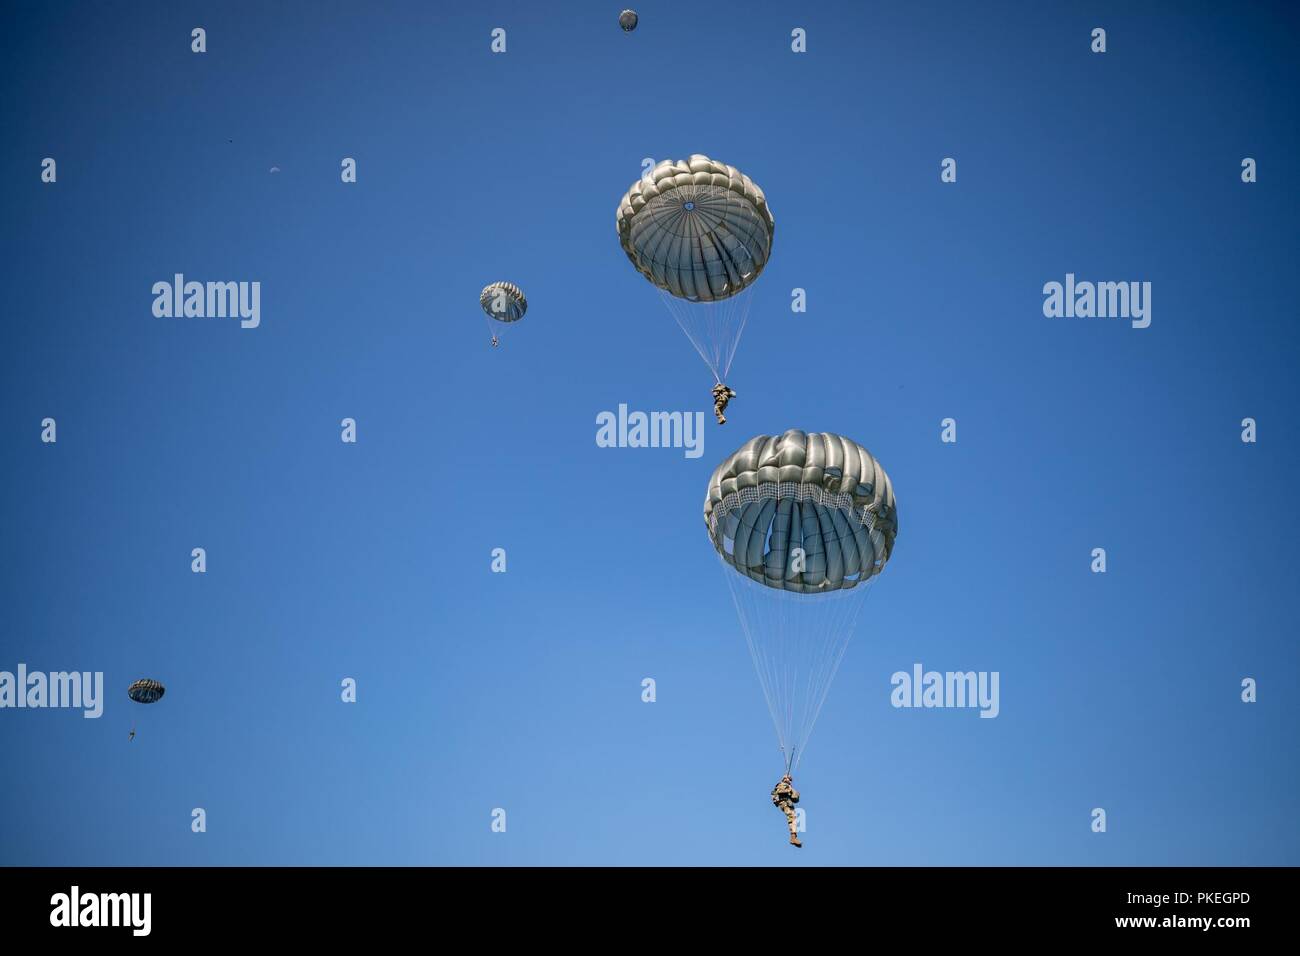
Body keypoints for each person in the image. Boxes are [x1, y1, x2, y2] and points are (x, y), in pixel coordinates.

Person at [771, 773, 801, 847]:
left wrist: (794, 792)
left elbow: (795, 799)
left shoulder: (789, 787)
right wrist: (789, 788)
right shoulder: (781, 785)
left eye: (790, 780)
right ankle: (793, 837)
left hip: (788, 804)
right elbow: (781, 791)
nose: (789, 781)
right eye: (788, 779)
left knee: (793, 818)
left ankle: (794, 836)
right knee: (791, 817)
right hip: (783, 803)